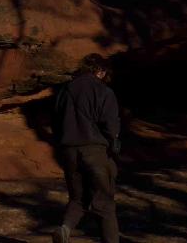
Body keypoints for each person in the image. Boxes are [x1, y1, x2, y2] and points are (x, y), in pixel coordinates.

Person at [51, 53, 121, 243]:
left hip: (68, 151)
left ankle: (65, 228)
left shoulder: (64, 91)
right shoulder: (104, 91)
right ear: (100, 71)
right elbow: (111, 125)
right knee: (104, 204)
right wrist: (113, 147)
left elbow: (55, 124)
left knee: (77, 199)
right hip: (94, 150)